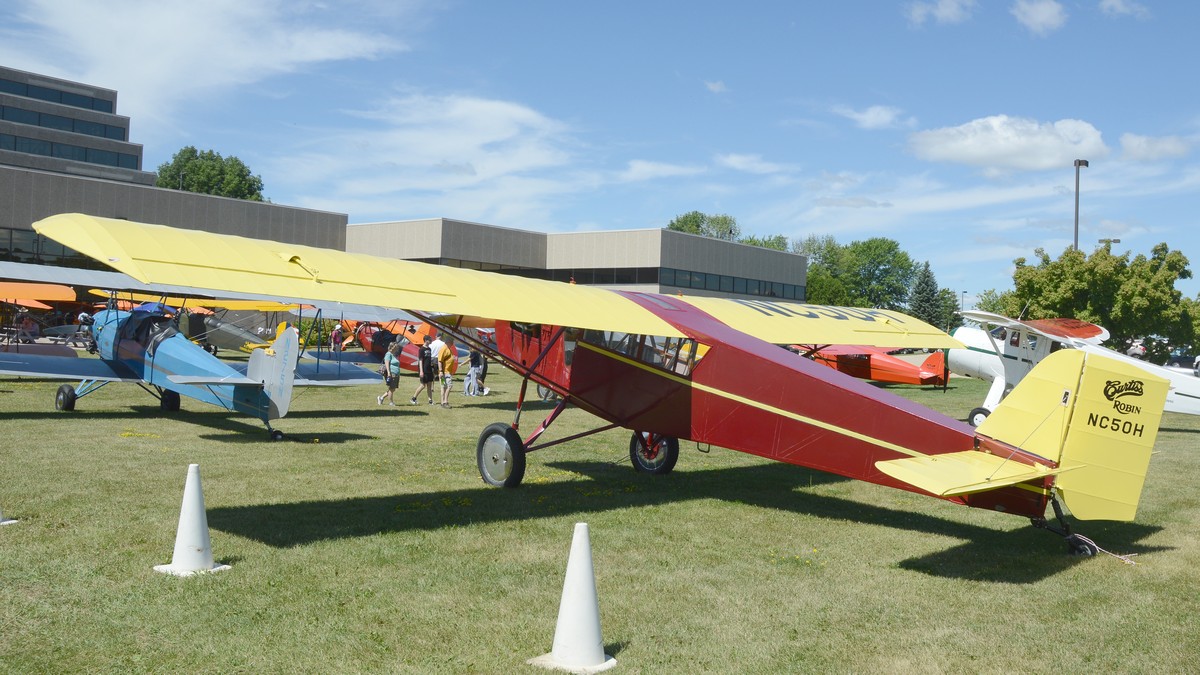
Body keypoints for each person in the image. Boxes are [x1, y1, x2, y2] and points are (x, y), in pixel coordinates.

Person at [409, 335, 436, 405]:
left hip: (429, 369)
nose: (431, 340)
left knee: (429, 385)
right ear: (426, 340)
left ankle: (430, 400)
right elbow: (420, 360)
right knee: (423, 385)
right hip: (424, 370)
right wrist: (421, 371)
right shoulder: (421, 349)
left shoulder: (429, 349)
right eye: (430, 339)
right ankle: (413, 398)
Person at [376, 342, 402, 406]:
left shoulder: (393, 354)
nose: (397, 348)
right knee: (391, 388)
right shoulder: (388, 354)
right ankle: (391, 402)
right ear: (392, 347)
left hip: (396, 373)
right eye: (395, 347)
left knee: (393, 389)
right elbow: (387, 364)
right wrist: (389, 373)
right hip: (392, 373)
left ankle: (381, 398)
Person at [437, 335, 457, 408]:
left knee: (444, 387)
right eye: (452, 342)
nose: (452, 344)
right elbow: (440, 360)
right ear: (448, 342)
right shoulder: (444, 349)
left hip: (446, 372)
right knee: (449, 385)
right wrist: (441, 371)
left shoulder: (448, 349)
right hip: (445, 372)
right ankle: (445, 401)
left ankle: (442, 402)